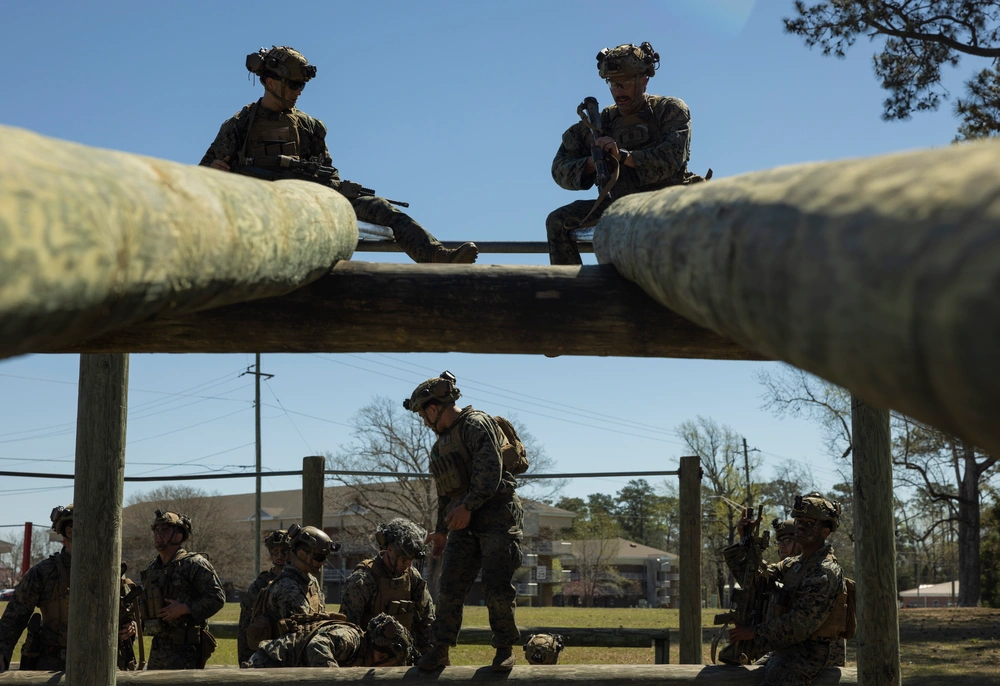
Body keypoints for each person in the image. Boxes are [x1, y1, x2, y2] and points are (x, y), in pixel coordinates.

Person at [200, 45, 478, 265]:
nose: (298, 92)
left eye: (302, 86)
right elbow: (203, 176)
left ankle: (436, 256)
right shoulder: (240, 125)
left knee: (381, 208)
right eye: (293, 85)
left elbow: (326, 172)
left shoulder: (309, 126)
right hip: (256, 208)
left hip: (305, 201)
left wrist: (333, 187)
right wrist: (216, 174)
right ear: (270, 82)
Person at [403, 371, 523, 672]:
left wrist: (468, 506)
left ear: (433, 408)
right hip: (462, 523)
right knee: (450, 587)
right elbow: (446, 492)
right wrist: (442, 531)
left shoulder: (476, 424)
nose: (423, 420)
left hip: (497, 516)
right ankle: (440, 649)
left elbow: (490, 473)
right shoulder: (438, 447)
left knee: (497, 587)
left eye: (422, 413)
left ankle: (504, 649)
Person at [546, 42, 699, 266]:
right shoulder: (601, 122)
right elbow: (559, 168)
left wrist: (623, 157)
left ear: (643, 80)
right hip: (619, 206)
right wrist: (591, 163)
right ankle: (572, 294)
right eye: (613, 84)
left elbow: (671, 158)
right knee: (558, 221)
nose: (619, 91)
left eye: (625, 84)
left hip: (667, 203)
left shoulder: (669, 110)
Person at [725, 493, 851, 685]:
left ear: (825, 531)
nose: (799, 525)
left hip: (811, 653)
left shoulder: (825, 572)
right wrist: (746, 541)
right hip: (787, 649)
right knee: (742, 672)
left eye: (808, 522)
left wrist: (753, 632)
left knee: (776, 678)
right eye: (799, 520)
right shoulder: (794, 565)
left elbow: (799, 625)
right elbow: (756, 580)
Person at [0, 505, 90, 671]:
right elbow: (13, 618)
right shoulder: (43, 572)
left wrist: (130, 628)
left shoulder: (107, 572)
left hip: (99, 662)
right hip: (52, 665)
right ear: (70, 532)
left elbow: (128, 617)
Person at [140, 509, 226, 670]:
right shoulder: (153, 568)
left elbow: (217, 598)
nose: (159, 534)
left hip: (186, 652)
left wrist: (185, 608)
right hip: (158, 649)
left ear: (179, 536)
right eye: (156, 530)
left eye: (165, 530)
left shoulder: (194, 564)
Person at [340, 518, 435, 658]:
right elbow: (347, 629)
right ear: (389, 550)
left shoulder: (412, 576)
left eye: (411, 560)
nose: (408, 565)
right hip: (370, 661)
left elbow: (426, 620)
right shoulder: (363, 580)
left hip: (406, 658)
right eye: (404, 559)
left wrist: (429, 658)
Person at [244, 612, 412, 668]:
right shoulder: (352, 639)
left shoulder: (361, 649)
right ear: (382, 656)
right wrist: (334, 679)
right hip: (269, 664)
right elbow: (317, 645)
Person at [237, 529, 290, 665]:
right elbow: (245, 624)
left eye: (284, 551)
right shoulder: (260, 585)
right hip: (264, 654)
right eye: (275, 552)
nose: (280, 556)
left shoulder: (300, 582)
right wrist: (244, 659)